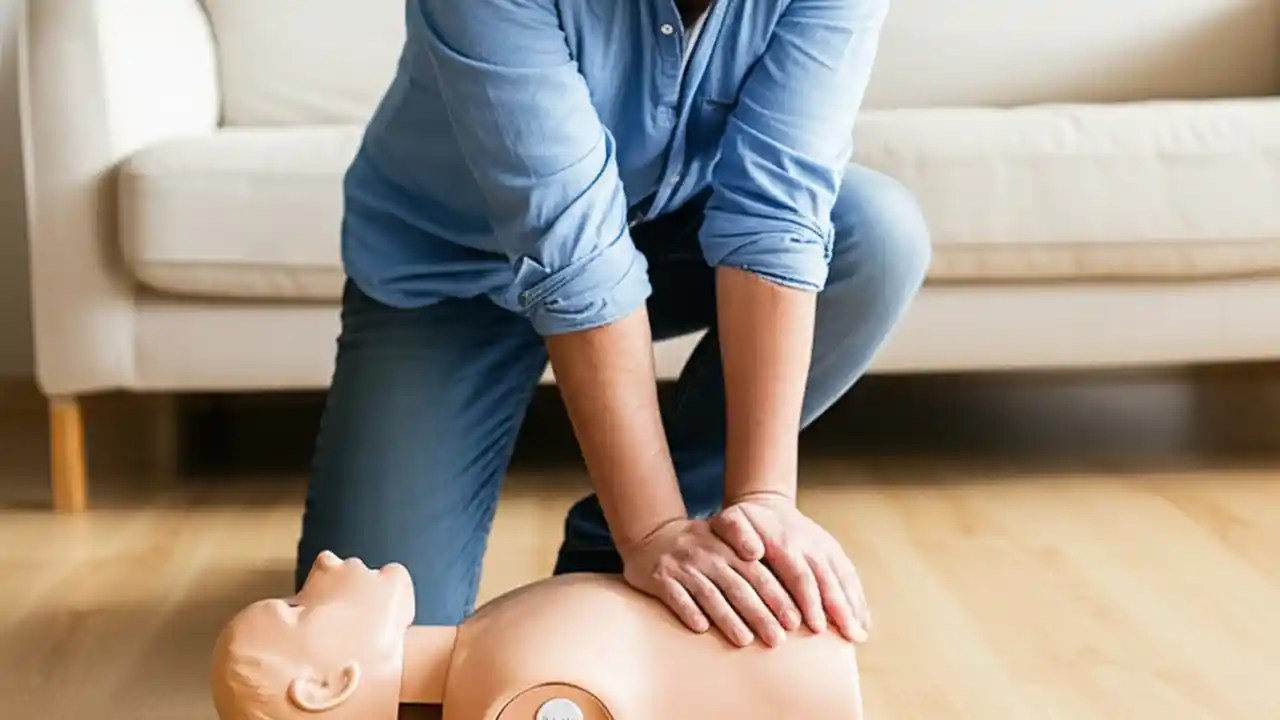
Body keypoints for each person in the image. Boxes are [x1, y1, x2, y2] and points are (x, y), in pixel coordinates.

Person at [297, 0, 930, 652]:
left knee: (875, 237)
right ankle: (646, 530)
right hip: (455, 271)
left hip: (667, 235)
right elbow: (573, 253)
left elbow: (778, 212)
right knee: (368, 649)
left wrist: (763, 504)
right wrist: (651, 530)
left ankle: (624, 544)